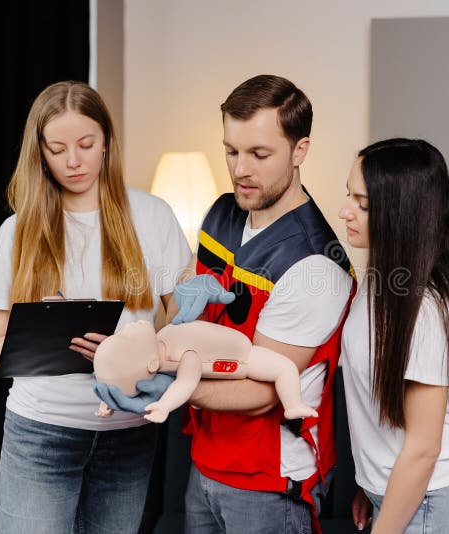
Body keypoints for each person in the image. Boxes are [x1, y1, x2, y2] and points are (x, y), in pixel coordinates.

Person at [98, 74, 355, 533]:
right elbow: (188, 322)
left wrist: (169, 389)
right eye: (231, 151)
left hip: (270, 481)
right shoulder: (221, 213)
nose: (240, 169)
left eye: (259, 154)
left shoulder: (313, 263)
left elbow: (261, 394)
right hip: (207, 462)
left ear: (300, 151)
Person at [0, 80, 191, 534]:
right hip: (40, 432)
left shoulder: (152, 216)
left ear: (107, 144)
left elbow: (187, 320)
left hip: (129, 432)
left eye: (86, 144)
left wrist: (138, 351)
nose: (73, 161)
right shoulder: (16, 232)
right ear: (39, 151)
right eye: (57, 149)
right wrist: (43, 335)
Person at [338, 138, 449, 533]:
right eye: (348, 196)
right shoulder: (383, 281)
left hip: (434, 501)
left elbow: (423, 449)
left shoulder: (424, 309)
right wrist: (371, 484)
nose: (344, 212)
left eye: (362, 203)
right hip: (404, 493)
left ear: (400, 213)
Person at [92, 319, 318, 421]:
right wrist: (164, 406)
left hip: (238, 342)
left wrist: (108, 401)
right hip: (243, 356)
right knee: (285, 368)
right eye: (127, 340)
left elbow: (123, 378)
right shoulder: (184, 356)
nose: (128, 328)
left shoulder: (162, 339)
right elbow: (185, 383)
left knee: (285, 367)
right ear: (150, 364)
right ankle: (294, 406)